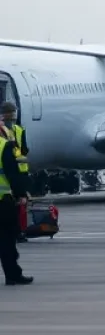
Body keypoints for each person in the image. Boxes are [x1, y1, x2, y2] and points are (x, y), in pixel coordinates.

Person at [0, 127, 32, 284]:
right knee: (7, 239)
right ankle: (12, 274)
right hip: (3, 201)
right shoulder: (3, 146)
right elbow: (12, 174)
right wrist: (21, 194)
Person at [0, 101, 30, 184]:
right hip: (14, 168)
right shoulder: (17, 129)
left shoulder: (18, 130)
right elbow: (24, 150)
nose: (14, 114)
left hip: (17, 168)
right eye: (13, 112)